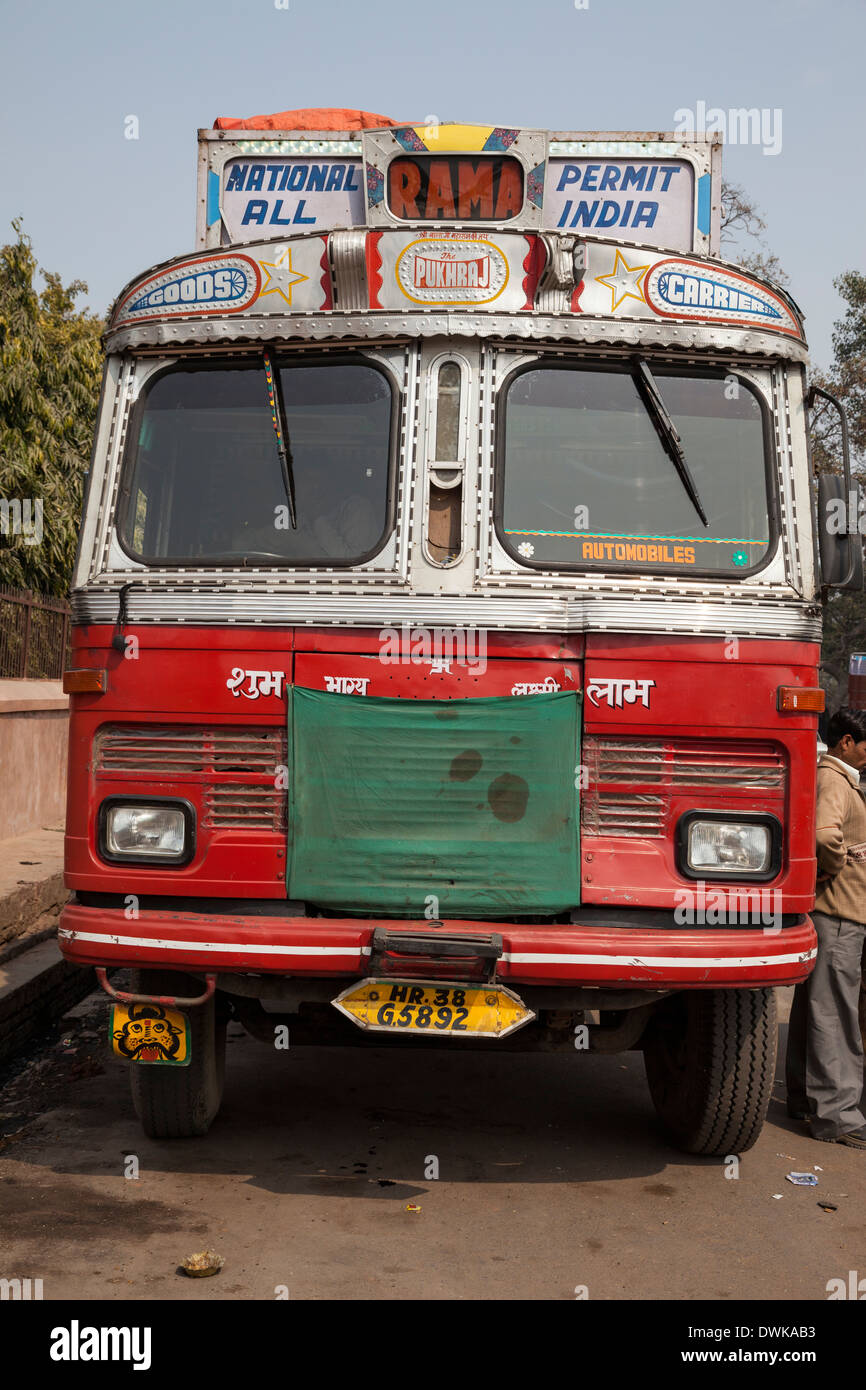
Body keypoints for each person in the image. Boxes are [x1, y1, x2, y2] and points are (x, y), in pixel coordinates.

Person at [786, 708, 866, 1148]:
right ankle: (838, 1115)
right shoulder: (835, 778)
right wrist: (832, 869)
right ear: (846, 742)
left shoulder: (834, 776)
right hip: (839, 911)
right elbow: (823, 835)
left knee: (816, 1008)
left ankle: (804, 1099)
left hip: (834, 911)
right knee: (835, 1013)